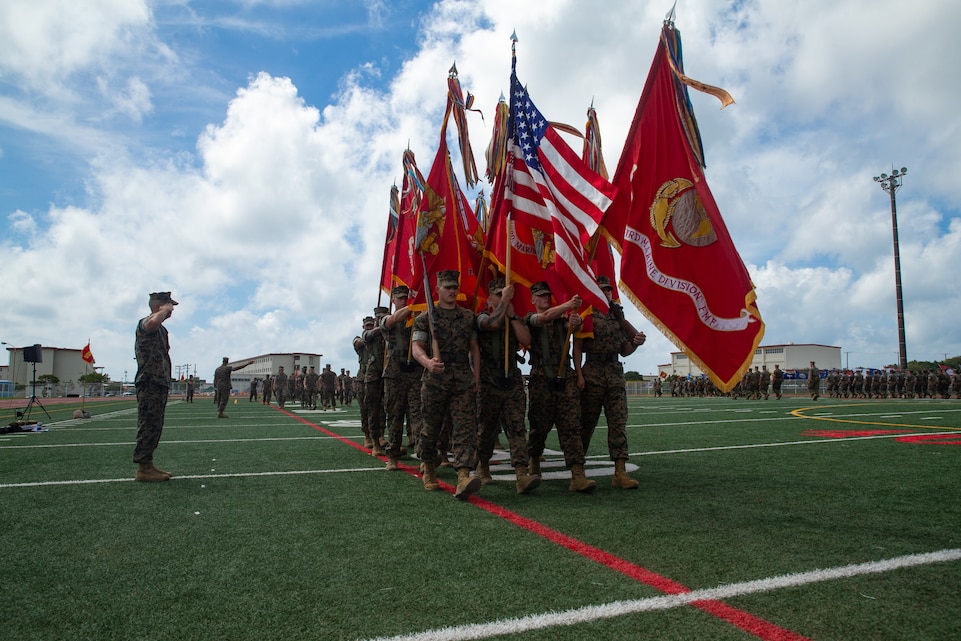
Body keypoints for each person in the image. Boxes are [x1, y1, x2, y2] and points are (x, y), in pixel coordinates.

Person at [411, 270, 481, 499]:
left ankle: (463, 474)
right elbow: (417, 348)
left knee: (464, 428)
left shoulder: (468, 317)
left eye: (454, 287)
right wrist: (427, 363)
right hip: (435, 380)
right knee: (431, 427)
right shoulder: (425, 318)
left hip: (462, 377)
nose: (452, 291)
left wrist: (476, 375)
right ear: (438, 290)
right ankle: (429, 467)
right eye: (447, 287)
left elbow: (474, 348)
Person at [573, 276, 645, 490]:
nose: (606, 294)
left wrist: (636, 344)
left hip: (614, 374)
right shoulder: (586, 314)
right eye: (602, 290)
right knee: (585, 424)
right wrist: (578, 374)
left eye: (608, 291)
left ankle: (620, 472)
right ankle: (578, 473)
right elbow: (577, 347)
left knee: (618, 424)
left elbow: (624, 350)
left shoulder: (617, 317)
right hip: (592, 372)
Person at [525, 281, 595, 493]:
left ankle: (577, 474)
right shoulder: (529, 318)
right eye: (542, 296)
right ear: (533, 299)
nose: (546, 298)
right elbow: (544, 318)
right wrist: (568, 306)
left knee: (571, 426)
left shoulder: (562, 319)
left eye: (548, 295)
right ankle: (534, 461)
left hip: (565, 377)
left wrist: (575, 321)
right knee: (539, 426)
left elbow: (573, 327)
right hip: (541, 379)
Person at [475, 278, 540, 494]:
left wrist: (512, 315)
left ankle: (521, 473)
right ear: (489, 298)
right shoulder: (482, 317)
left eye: (504, 293)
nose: (502, 297)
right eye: (497, 294)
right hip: (488, 380)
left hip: (511, 378)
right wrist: (504, 304)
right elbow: (491, 323)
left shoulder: (513, 318)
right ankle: (482, 465)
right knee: (487, 428)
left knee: (516, 427)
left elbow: (526, 339)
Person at [133, 291, 177, 482]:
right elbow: (150, 323)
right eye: (169, 306)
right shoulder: (147, 323)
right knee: (149, 423)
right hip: (150, 381)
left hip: (158, 382)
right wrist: (161, 312)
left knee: (155, 424)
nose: (172, 310)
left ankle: (148, 464)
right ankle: (143, 468)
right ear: (160, 305)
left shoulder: (161, 330)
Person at [380, 285, 424, 471]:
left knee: (418, 416)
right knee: (395, 416)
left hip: (415, 372)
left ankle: (424, 457)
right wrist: (414, 306)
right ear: (393, 301)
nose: (404, 301)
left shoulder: (418, 319)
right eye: (400, 299)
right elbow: (393, 319)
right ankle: (393, 456)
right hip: (395, 374)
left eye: (407, 298)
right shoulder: (387, 319)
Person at [362, 309, 388, 452]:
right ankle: (373, 439)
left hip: (387, 372)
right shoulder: (369, 333)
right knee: (372, 408)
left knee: (385, 408)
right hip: (373, 375)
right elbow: (368, 336)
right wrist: (383, 325)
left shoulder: (388, 332)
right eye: (378, 318)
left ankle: (381, 436)